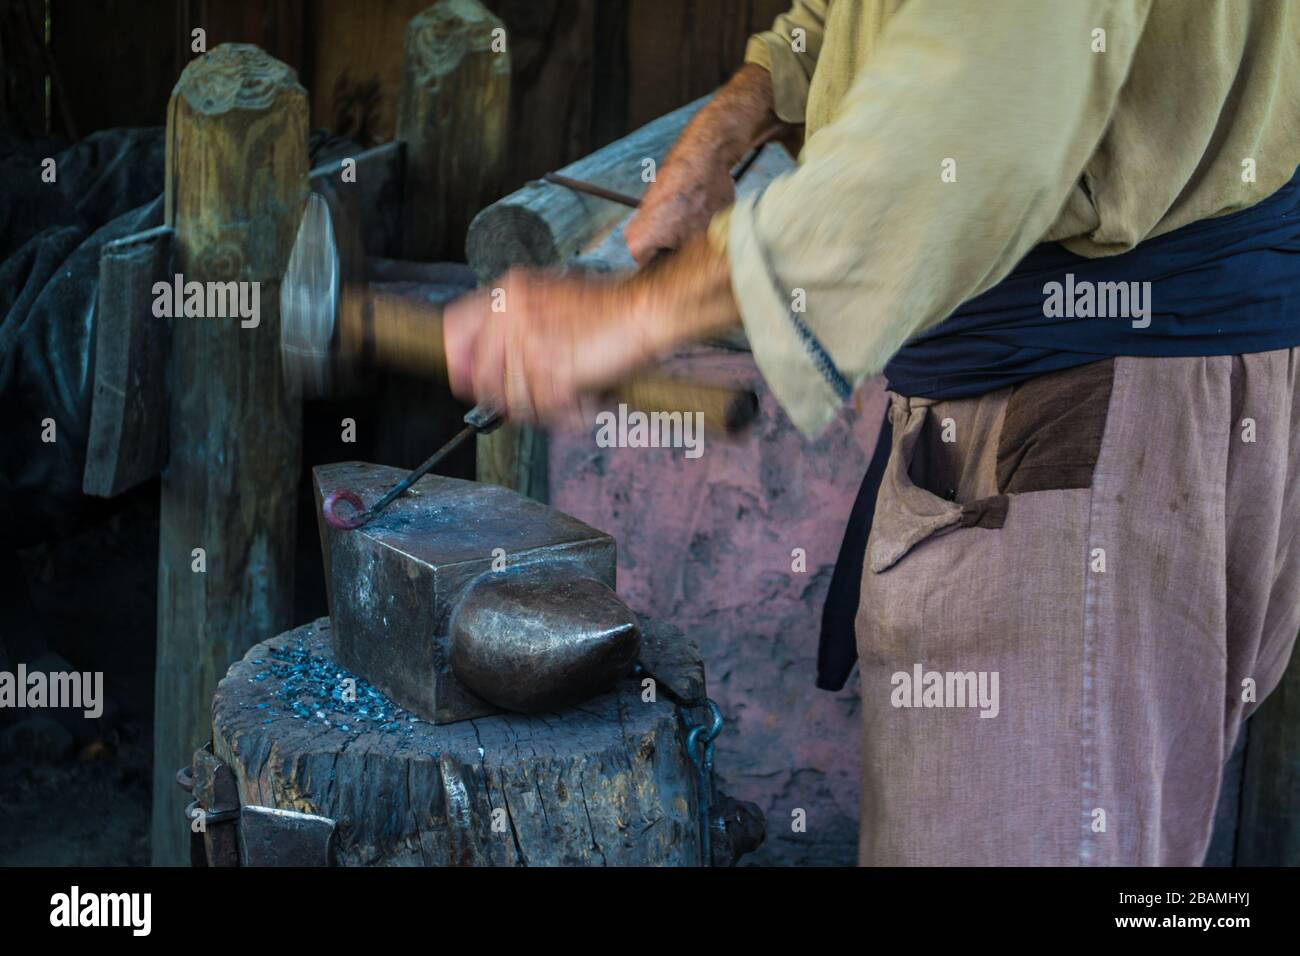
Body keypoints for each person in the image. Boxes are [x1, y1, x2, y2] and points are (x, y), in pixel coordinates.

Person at [443, 0, 1300, 865]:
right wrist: (737, 118)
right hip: (1114, 401)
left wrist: (631, 316)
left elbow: (972, 120)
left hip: (1079, 416)